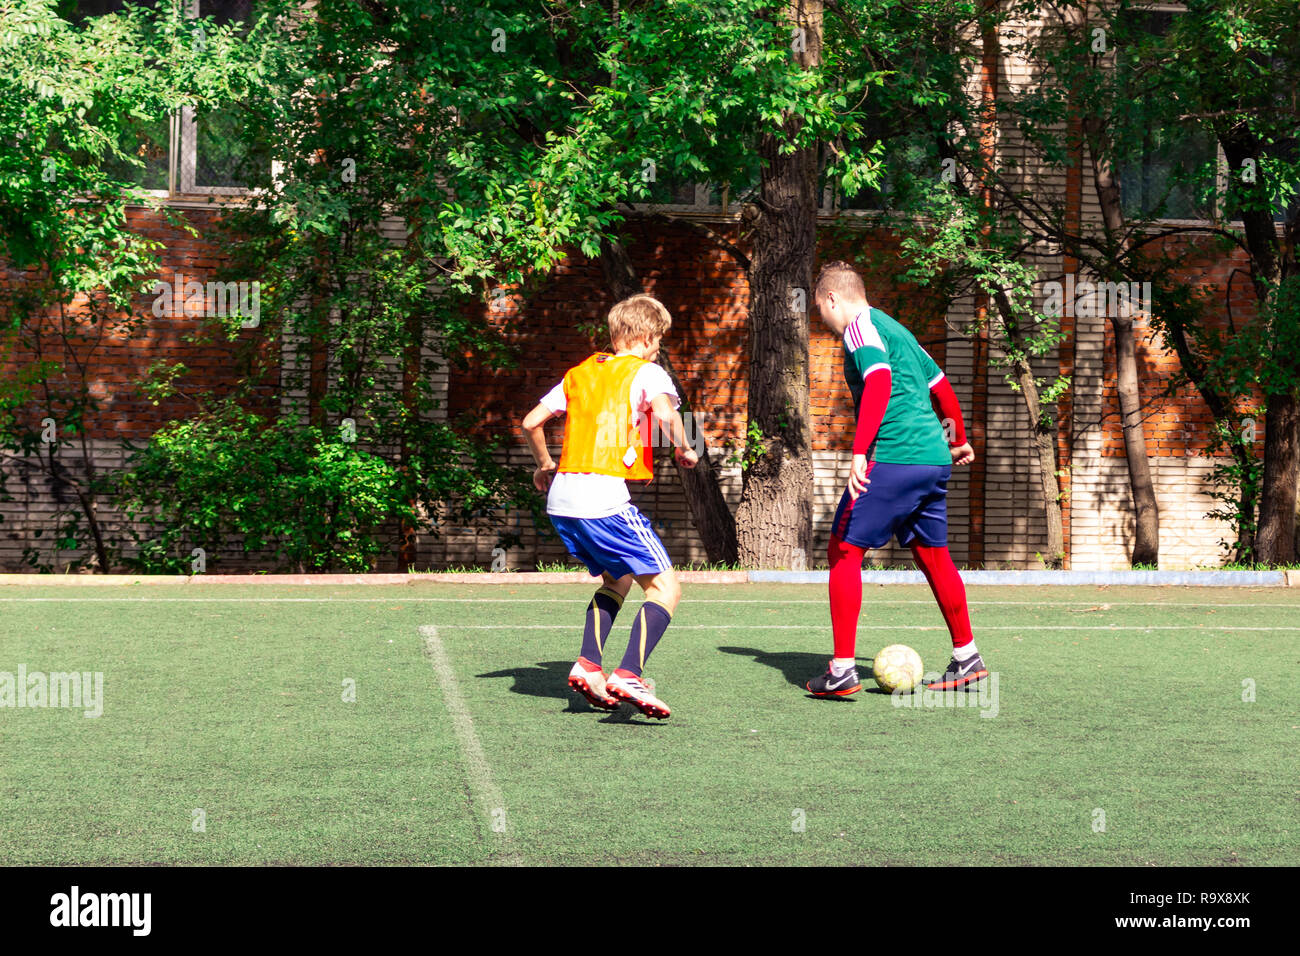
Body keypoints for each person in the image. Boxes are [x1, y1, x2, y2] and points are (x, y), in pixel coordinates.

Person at [805, 261, 988, 697]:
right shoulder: (898, 330)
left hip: (895, 456)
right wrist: (958, 439)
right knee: (933, 555)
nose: (824, 321)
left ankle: (842, 670)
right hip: (932, 461)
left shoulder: (859, 327)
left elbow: (880, 382)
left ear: (832, 298)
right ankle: (968, 658)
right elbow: (941, 387)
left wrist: (859, 451)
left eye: (820, 310)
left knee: (844, 549)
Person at [520, 293, 699, 719]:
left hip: (562, 498)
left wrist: (545, 465)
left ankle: (588, 665)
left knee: (616, 580)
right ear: (647, 336)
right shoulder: (648, 371)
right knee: (665, 587)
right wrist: (685, 448)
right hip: (602, 498)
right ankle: (630, 675)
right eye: (659, 340)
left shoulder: (580, 373)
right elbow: (665, 414)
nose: (659, 348)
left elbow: (530, 422)